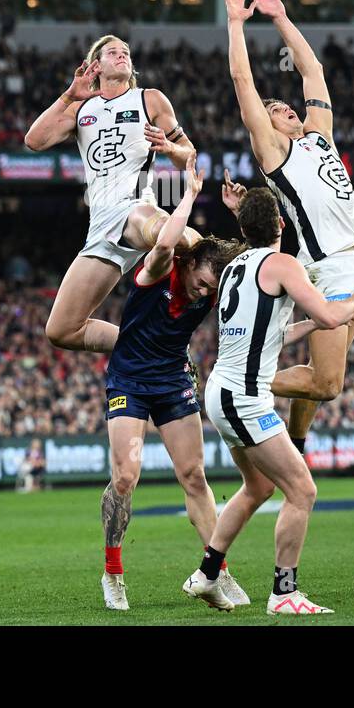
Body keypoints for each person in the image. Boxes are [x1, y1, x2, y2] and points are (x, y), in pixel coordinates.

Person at [183, 187, 354, 615]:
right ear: (282, 225)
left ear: (242, 229)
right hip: (244, 396)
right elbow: (334, 315)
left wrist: (309, 323)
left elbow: (275, 332)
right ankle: (284, 592)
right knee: (302, 491)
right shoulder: (283, 264)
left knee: (257, 487)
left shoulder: (236, 265)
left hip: (222, 390)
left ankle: (207, 572)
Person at [222, 0, 354, 460]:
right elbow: (244, 85)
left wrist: (281, 18)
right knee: (327, 383)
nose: (283, 107)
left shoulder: (319, 136)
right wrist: (237, 27)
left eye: (284, 105)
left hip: (353, 263)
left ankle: (298, 442)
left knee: (322, 375)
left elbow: (313, 69)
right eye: (274, 110)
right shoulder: (275, 155)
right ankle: (236, 385)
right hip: (324, 270)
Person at [98, 155, 248, 611]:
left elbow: (254, 261)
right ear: (191, 262)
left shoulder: (213, 285)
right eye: (204, 281)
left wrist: (242, 217)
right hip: (129, 379)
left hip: (173, 381)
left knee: (194, 476)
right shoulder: (160, 268)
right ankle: (113, 572)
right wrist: (188, 196)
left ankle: (218, 572)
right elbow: (165, 242)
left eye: (214, 290)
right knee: (126, 477)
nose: (207, 293)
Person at [24, 34, 200, 355]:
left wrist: (170, 146)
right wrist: (67, 96)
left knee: (165, 236)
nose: (122, 56)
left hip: (135, 208)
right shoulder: (81, 107)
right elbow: (34, 140)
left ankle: (212, 252)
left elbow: (189, 156)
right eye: (113, 53)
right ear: (97, 65)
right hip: (102, 230)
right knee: (61, 329)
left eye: (126, 52)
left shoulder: (150, 100)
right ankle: (155, 348)